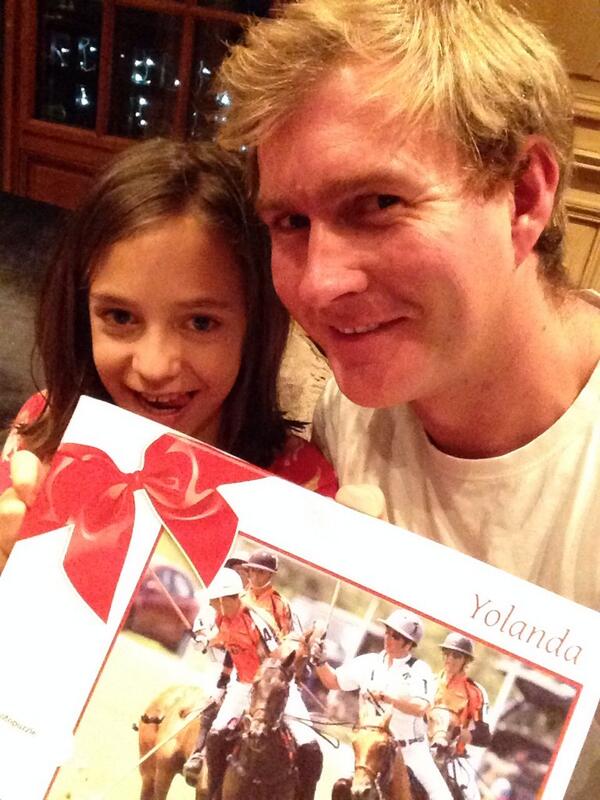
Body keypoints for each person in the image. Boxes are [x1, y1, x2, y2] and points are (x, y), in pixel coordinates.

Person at [215, 2, 600, 796]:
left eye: (379, 204)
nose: (319, 284)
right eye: (290, 221)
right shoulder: (351, 410)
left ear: (524, 197)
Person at [0, 137, 337, 568]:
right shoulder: (43, 427)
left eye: (201, 323)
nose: (155, 366)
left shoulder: (303, 492)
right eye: (120, 317)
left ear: (255, 327)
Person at [196, 567, 322, 800]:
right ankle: (214, 792)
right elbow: (223, 635)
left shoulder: (256, 620)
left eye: (214, 600)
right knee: (215, 736)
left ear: (225, 599)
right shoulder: (222, 616)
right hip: (243, 685)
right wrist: (207, 640)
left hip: (272, 686)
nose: (211, 604)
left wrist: (273, 684)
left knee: (311, 748)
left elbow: (277, 657)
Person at [312, 609, 452, 799]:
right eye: (387, 631)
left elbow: (421, 708)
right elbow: (333, 681)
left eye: (395, 636)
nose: (388, 637)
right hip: (372, 749)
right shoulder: (369, 662)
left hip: (409, 750)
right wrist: (320, 662)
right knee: (341, 787)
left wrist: (388, 698)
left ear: (409, 643)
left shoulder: (419, 670)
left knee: (442, 796)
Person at [430, 633, 491, 800]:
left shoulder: (475, 692)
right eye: (447, 654)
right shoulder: (429, 681)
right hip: (418, 748)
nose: (449, 659)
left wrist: (456, 732)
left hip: (451, 758)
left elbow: (483, 737)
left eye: (456, 656)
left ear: (466, 661)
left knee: (472, 795)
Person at [246, 548, 295, 634]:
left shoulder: (279, 604)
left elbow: (285, 636)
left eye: (261, 572)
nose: (256, 575)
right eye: (253, 570)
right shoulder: (238, 595)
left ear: (271, 574)